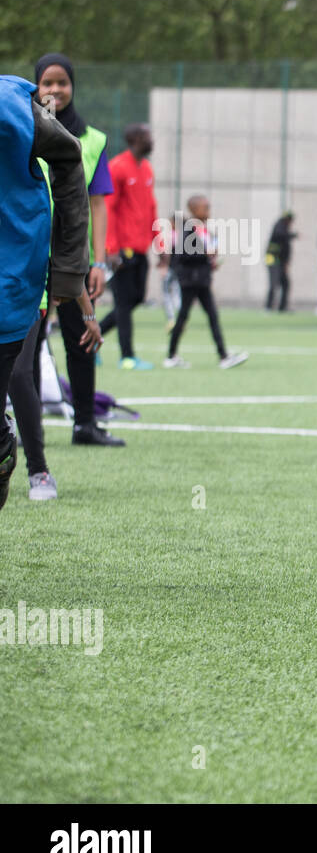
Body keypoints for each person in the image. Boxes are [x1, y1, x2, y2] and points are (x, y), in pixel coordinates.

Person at [0, 73, 99, 511]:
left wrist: (71, 277)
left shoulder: (16, 108)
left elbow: (72, 170)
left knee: (23, 375)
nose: (55, 90)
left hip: (17, 285)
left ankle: (24, 458)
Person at [32, 52, 123, 447]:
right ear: (36, 85)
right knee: (26, 342)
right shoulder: (21, 129)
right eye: (47, 82)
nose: (54, 90)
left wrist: (98, 260)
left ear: (73, 86)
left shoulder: (94, 139)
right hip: (29, 248)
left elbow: (99, 202)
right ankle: (25, 426)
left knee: (82, 336)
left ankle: (84, 424)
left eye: (62, 82)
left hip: (72, 255)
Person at [162, 195, 248, 369]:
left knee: (210, 316)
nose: (208, 210)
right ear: (195, 209)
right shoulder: (187, 229)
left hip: (201, 280)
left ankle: (222, 355)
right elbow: (182, 256)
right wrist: (206, 255)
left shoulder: (202, 230)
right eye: (205, 207)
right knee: (186, 317)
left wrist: (211, 262)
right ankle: (172, 356)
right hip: (191, 281)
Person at [99, 122, 157, 369]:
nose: (151, 139)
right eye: (147, 136)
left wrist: (159, 243)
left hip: (141, 247)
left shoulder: (146, 168)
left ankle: (90, 340)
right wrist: (110, 247)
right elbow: (107, 210)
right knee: (123, 302)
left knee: (136, 298)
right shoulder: (117, 167)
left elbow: (151, 208)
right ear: (135, 139)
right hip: (121, 249)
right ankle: (127, 356)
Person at [265, 211, 295, 312]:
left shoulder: (284, 229)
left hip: (281, 261)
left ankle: (282, 307)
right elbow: (281, 235)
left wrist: (286, 262)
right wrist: (293, 235)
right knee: (274, 283)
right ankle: (268, 306)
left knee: (285, 284)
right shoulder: (279, 226)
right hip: (272, 259)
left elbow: (286, 248)